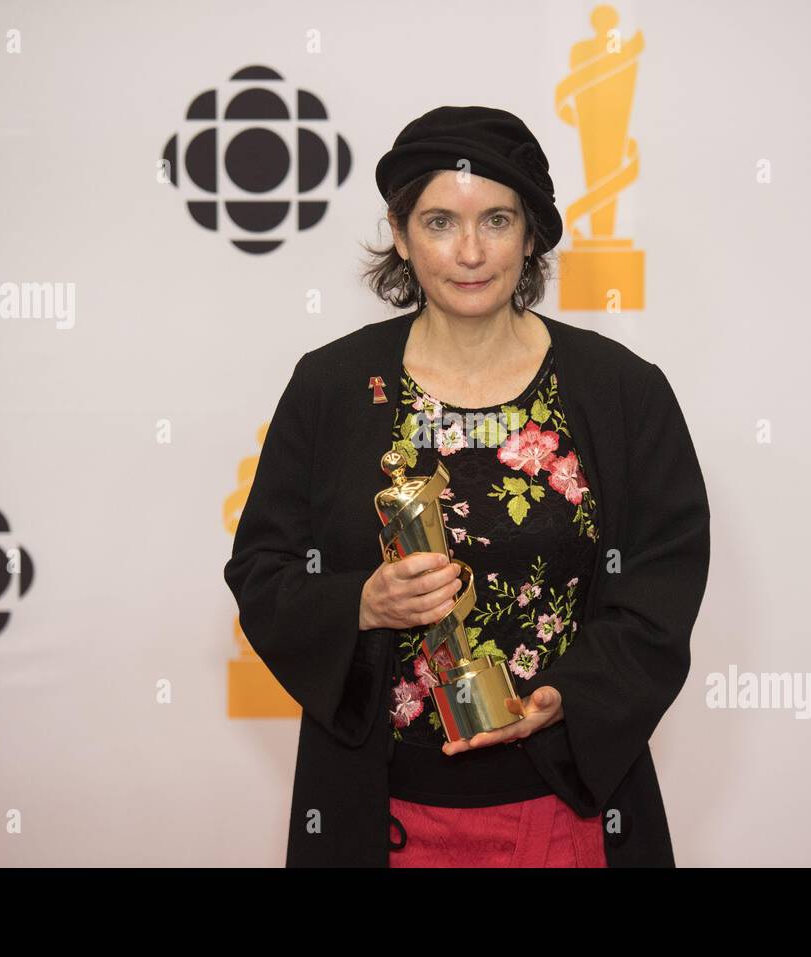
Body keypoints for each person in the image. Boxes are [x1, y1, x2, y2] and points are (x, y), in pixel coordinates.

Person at [224, 105, 710, 867]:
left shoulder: (620, 390)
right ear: (401, 230)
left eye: (499, 220)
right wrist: (359, 600)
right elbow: (263, 570)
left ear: (533, 233)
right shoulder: (333, 386)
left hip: (569, 808)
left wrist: (569, 696)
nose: (472, 251)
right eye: (441, 221)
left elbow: (661, 583)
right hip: (378, 813)